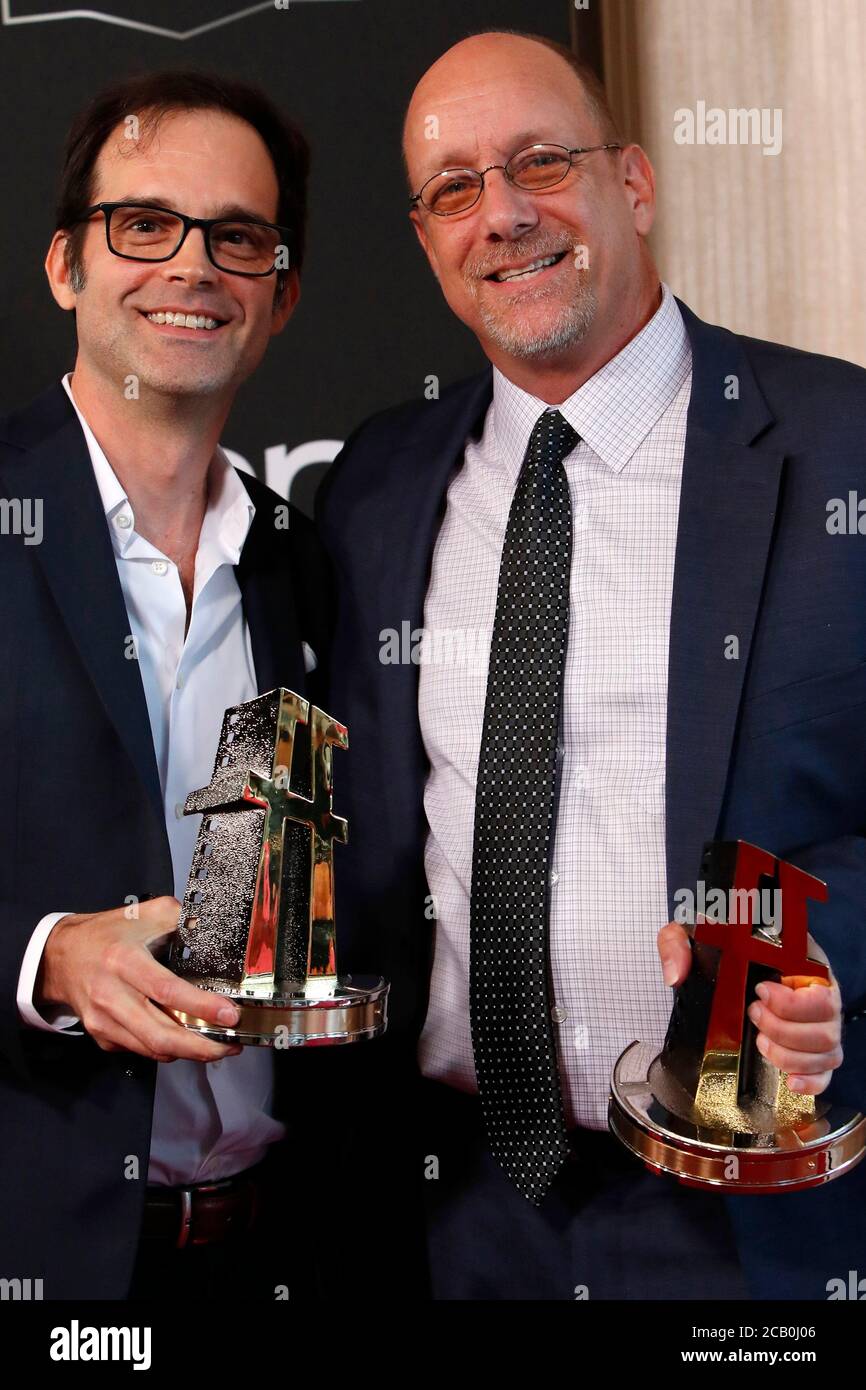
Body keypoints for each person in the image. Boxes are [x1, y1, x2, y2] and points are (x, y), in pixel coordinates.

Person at [317, 31, 866, 1300]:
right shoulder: (375, 486)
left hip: (753, 1219)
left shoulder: (841, 449)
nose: (501, 215)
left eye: (539, 164)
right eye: (454, 189)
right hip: (455, 1214)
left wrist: (832, 962)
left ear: (631, 182)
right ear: (426, 240)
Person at [0, 70, 332, 1300]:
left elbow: (269, 893)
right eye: (143, 225)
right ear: (63, 265)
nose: (191, 267)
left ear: (280, 296)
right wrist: (42, 956)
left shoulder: (305, 560)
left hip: (279, 1247)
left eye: (237, 236)